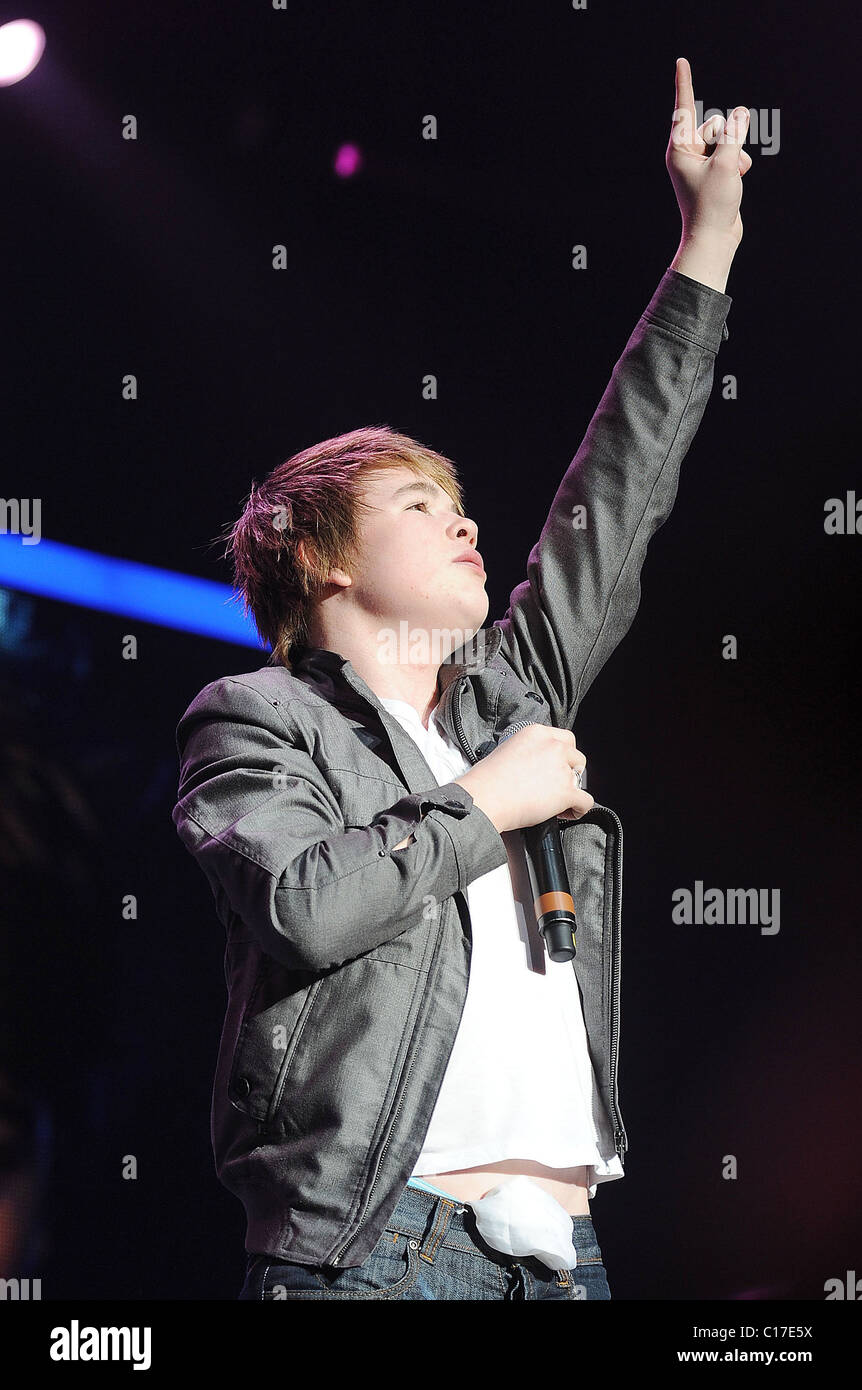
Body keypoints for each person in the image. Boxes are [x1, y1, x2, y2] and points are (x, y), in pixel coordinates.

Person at [172, 57, 750, 1300]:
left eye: (464, 506)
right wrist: (489, 802)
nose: (465, 525)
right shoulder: (258, 720)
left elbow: (621, 487)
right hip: (383, 1244)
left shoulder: (507, 696)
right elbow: (308, 906)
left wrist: (706, 241)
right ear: (316, 557)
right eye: (422, 505)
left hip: (565, 1252)